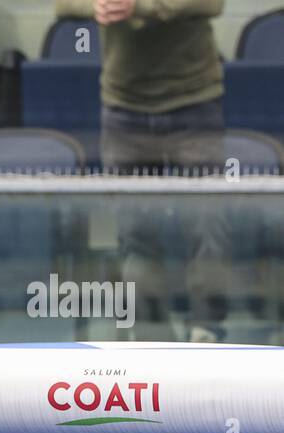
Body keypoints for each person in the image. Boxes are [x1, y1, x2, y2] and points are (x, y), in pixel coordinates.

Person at [56, 0, 230, 341]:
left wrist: (141, 6)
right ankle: (153, 337)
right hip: (123, 107)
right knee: (135, 232)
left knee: (207, 222)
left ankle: (207, 330)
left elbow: (212, 3)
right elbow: (61, 5)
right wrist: (94, 5)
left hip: (193, 100)